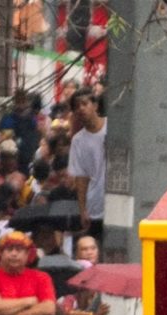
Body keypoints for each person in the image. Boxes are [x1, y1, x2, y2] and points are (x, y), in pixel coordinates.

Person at [68, 88, 107, 239]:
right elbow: (81, 177)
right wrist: (83, 209)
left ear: (95, 105)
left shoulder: (113, 127)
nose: (81, 109)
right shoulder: (78, 141)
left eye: (84, 104)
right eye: (77, 107)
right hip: (95, 206)